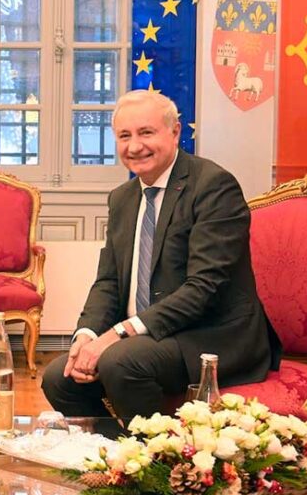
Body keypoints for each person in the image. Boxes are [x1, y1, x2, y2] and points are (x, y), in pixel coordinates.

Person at [42, 89, 279, 423]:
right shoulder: (122, 198)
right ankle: (120, 459)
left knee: (120, 362)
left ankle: (154, 463)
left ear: (176, 131)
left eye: (146, 132)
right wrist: (87, 335)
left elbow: (204, 288)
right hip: (148, 337)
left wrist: (117, 334)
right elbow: (109, 281)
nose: (135, 146)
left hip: (209, 335)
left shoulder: (213, 186)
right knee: (59, 379)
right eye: (125, 136)